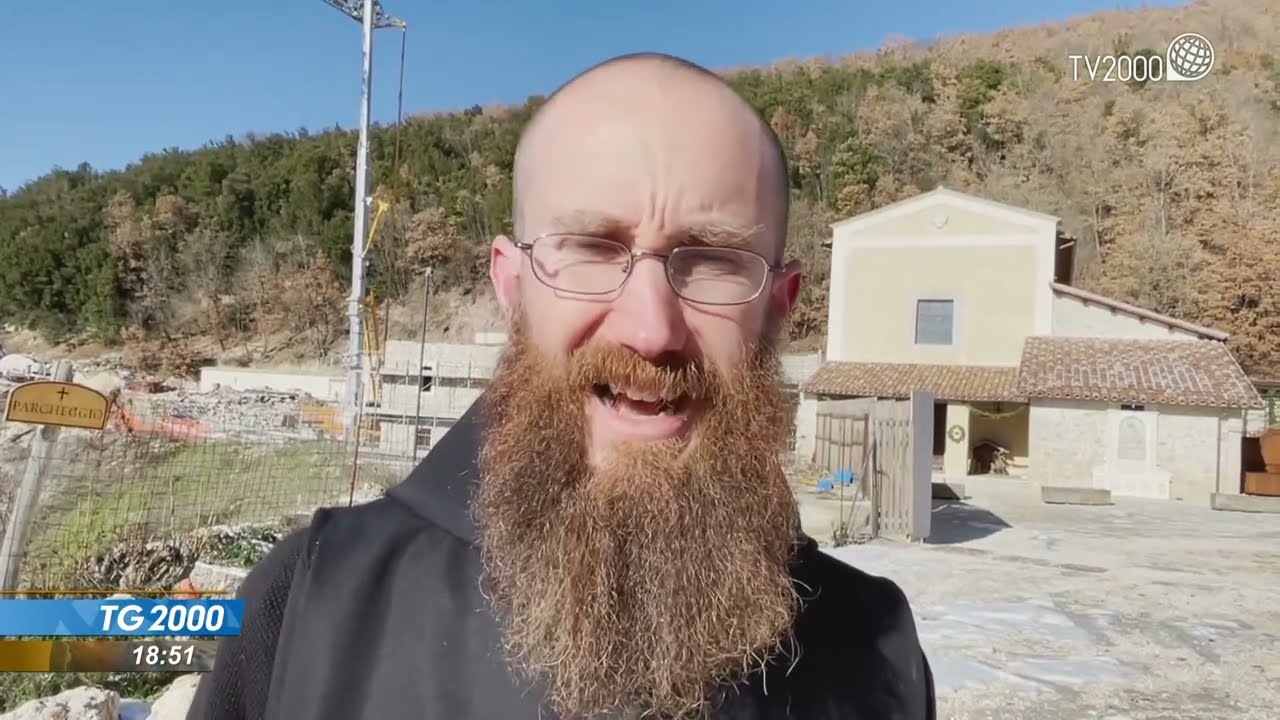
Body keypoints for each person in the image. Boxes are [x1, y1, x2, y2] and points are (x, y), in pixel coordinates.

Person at [187, 52, 935, 720]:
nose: (651, 329)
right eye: (591, 248)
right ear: (511, 286)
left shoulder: (877, 651)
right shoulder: (306, 603)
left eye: (711, 259)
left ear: (780, 306)